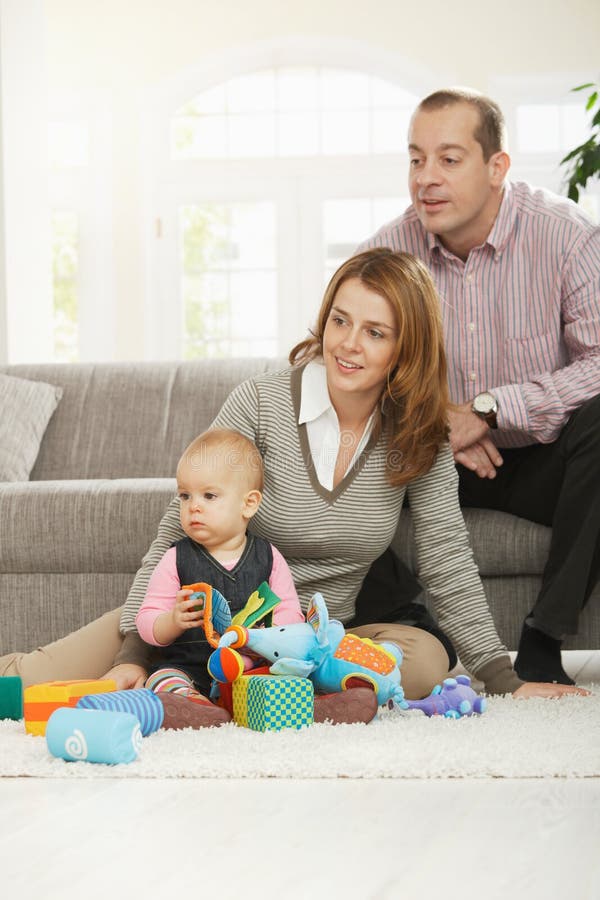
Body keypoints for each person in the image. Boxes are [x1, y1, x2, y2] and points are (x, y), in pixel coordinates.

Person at [0, 250, 587, 702]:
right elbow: (175, 531)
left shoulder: (419, 434)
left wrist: (503, 680)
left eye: (375, 332)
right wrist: (136, 648)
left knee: (427, 664)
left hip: (310, 643)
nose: (348, 345)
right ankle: (219, 681)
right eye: (340, 320)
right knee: (23, 685)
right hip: (194, 627)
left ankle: (253, 688)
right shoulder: (258, 402)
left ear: (406, 349)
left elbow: (445, 558)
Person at [360, 87, 600, 686]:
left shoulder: (567, 238)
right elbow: (343, 366)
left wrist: (490, 410)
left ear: (497, 167)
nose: (425, 179)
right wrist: (442, 419)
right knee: (315, 456)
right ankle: (417, 627)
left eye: (448, 158)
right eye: (416, 159)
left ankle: (543, 638)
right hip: (429, 456)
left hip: (544, 458)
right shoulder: (388, 252)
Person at [136, 427, 304, 722]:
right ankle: (194, 707)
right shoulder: (176, 558)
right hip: (191, 668)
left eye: (209, 495)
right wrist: (171, 621)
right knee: (161, 679)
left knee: (288, 678)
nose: (194, 506)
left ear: (248, 503)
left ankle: (313, 706)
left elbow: (292, 617)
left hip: (250, 668)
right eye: (185, 496)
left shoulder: (268, 557)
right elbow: (147, 622)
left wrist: (262, 635)